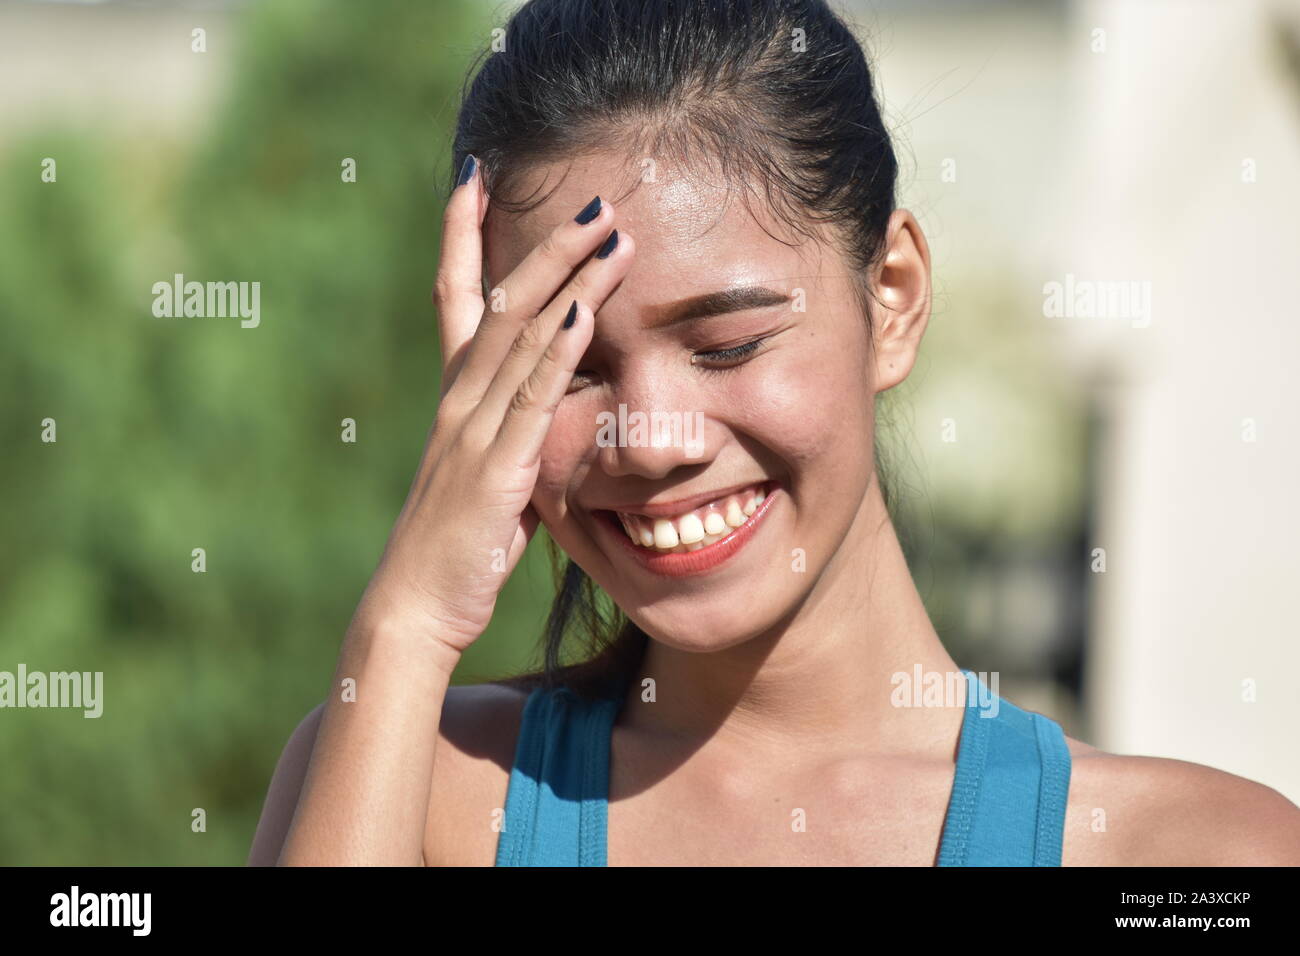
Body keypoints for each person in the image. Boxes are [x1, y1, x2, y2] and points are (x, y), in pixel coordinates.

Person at [249, 0, 1300, 866]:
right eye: (570, 364)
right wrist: (408, 621)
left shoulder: (1190, 857)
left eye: (728, 344)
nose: (651, 439)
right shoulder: (416, 784)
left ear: (891, 295)